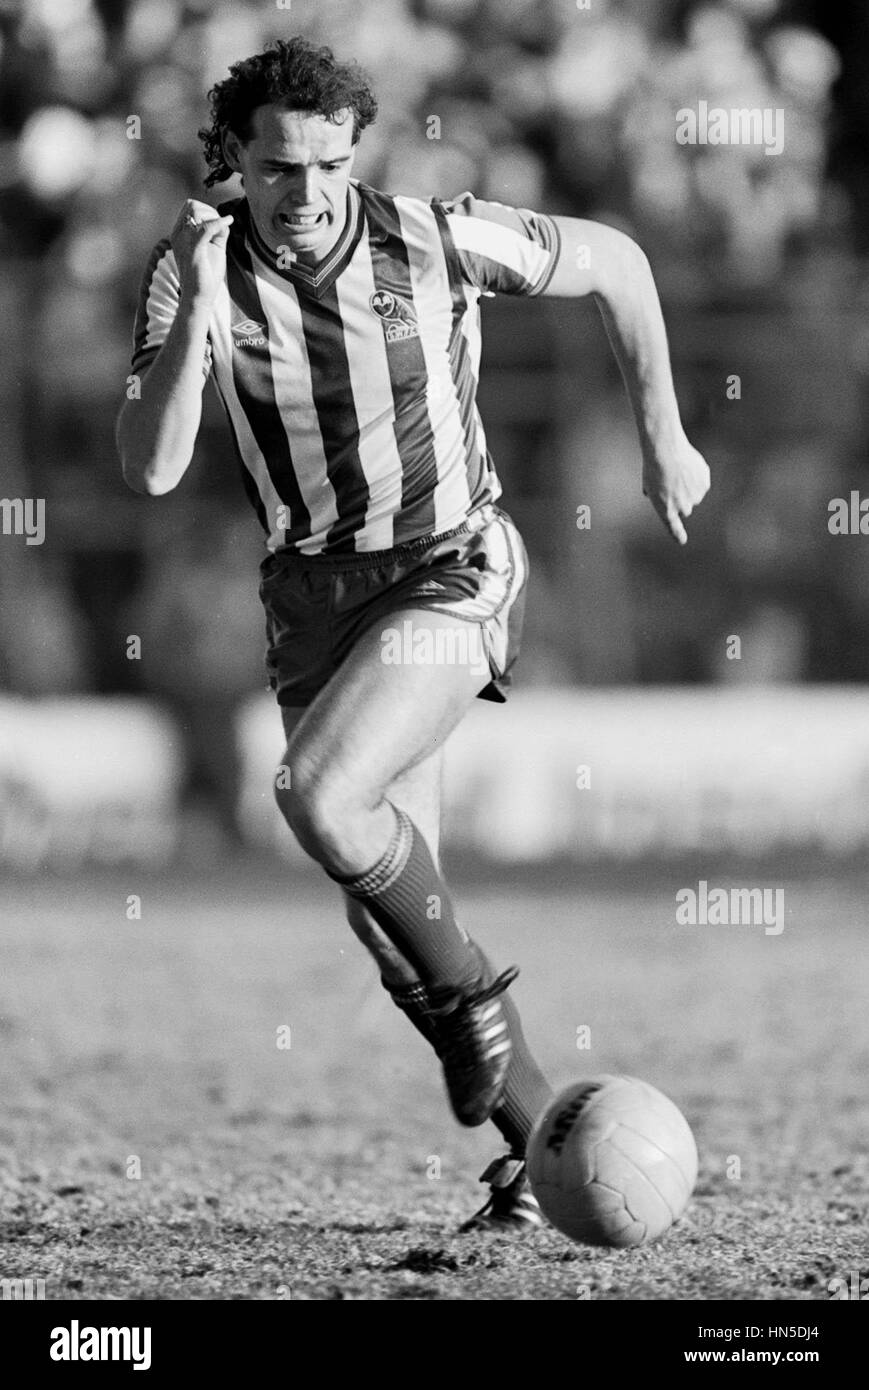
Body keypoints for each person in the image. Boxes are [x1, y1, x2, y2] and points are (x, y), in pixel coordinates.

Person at [116, 36, 710, 1233]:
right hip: (311, 601)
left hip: (451, 568)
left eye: (329, 165)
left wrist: (663, 435)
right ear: (233, 158)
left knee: (321, 795)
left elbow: (617, 263)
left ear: (355, 153)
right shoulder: (191, 268)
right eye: (278, 168)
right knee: (387, 922)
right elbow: (154, 464)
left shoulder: (434, 237)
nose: (306, 191)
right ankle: (539, 1150)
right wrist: (194, 305)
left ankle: (475, 1004)